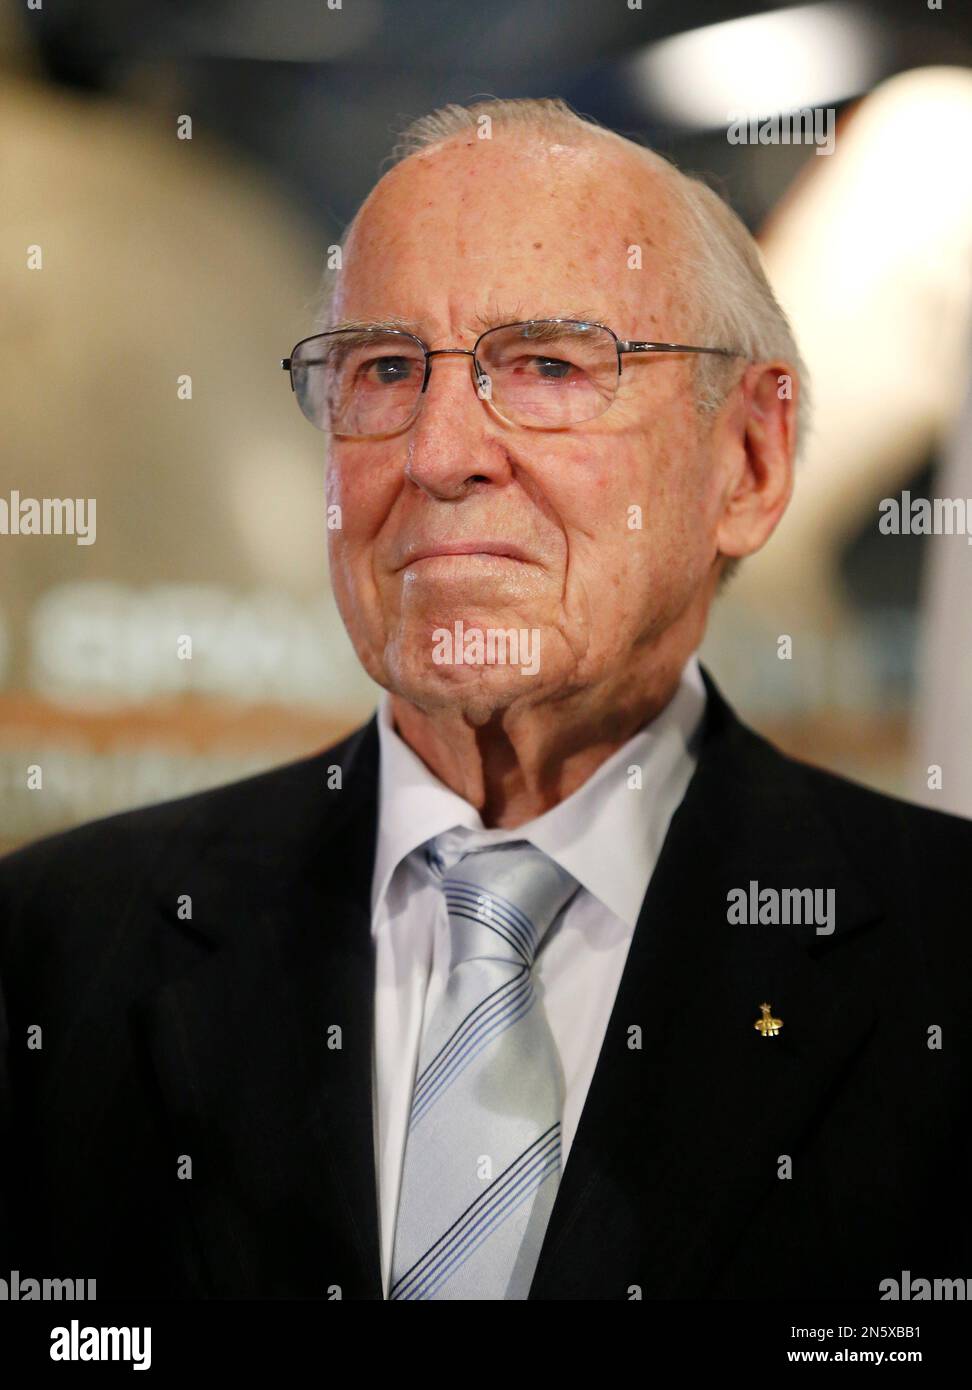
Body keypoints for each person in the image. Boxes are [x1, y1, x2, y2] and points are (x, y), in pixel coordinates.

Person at [0, 97, 968, 1302]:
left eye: (551, 365)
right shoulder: (48, 953)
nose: (438, 449)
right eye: (387, 370)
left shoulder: (946, 951)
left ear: (752, 462)